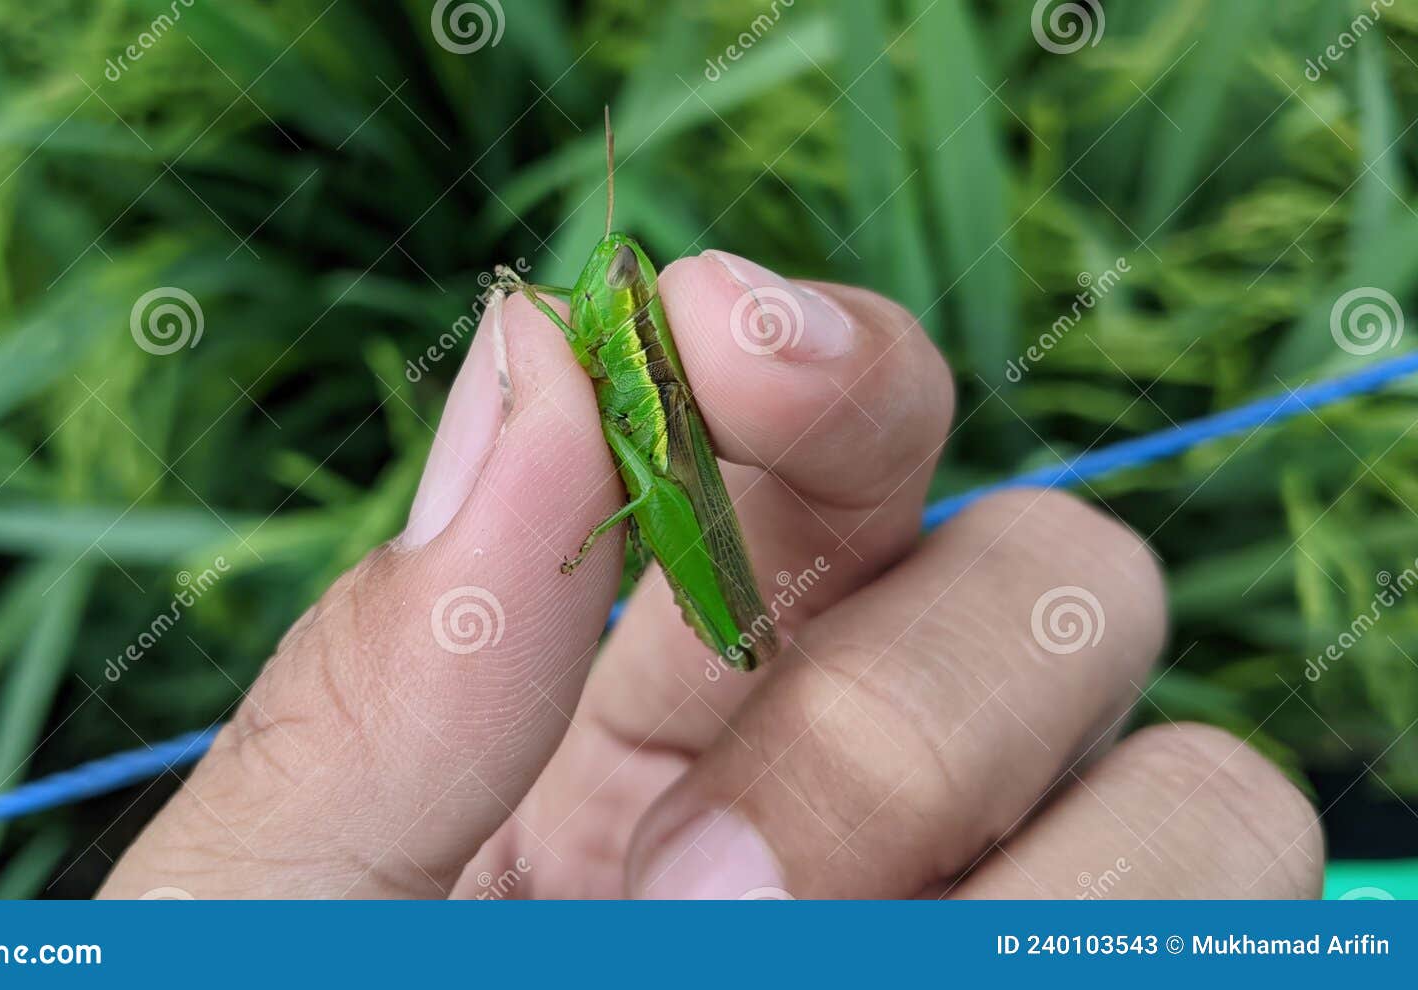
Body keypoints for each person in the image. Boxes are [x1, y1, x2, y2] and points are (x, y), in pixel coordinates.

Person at [99, 252, 1322, 899]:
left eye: (618, 324)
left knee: (675, 501)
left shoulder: (644, 388)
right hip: (652, 497)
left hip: (681, 521)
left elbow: (643, 459)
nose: (609, 318)